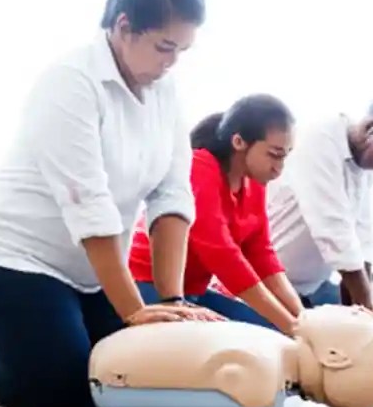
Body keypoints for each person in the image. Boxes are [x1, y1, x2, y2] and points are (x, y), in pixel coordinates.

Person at [0, 0, 225, 407]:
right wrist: (135, 311)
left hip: (85, 275)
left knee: (131, 371)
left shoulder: (165, 93)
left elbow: (172, 197)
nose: (171, 62)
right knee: (66, 392)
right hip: (8, 260)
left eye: (181, 51)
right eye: (163, 46)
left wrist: (171, 301)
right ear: (124, 26)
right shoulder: (70, 82)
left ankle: (33, 342)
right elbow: (88, 206)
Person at [128, 95, 305, 334]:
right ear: (239, 142)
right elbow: (222, 255)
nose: (279, 168)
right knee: (250, 338)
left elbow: (261, 253)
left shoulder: (254, 183)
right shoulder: (200, 168)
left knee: (273, 331)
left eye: (285, 156)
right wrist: (292, 326)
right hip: (148, 285)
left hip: (194, 291)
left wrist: (302, 318)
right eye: (274, 155)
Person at [267, 97, 373, 314]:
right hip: (267, 285)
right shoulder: (320, 140)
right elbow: (332, 229)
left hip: (309, 287)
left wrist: (366, 308)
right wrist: (366, 314)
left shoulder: (362, 166)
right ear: (371, 127)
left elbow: (362, 236)